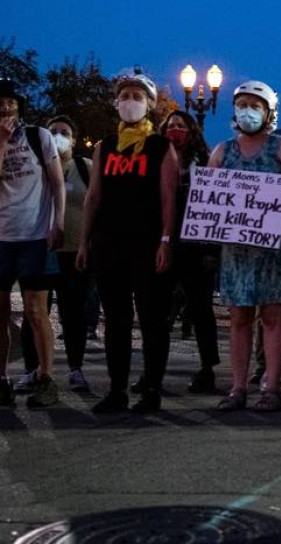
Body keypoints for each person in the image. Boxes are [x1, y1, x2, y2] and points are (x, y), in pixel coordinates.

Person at [76, 69, 178, 413]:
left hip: (147, 242)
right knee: (115, 319)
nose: (129, 102)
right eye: (124, 96)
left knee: (151, 318)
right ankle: (117, 389)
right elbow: (93, 197)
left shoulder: (161, 146)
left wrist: (166, 240)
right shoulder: (106, 145)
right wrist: (83, 241)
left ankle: (151, 388)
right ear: (116, 103)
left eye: (137, 97)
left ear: (149, 105)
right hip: (109, 241)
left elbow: (168, 198)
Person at [210, 80, 281, 412]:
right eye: (242, 104)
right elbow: (209, 195)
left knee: (272, 316)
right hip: (237, 249)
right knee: (239, 317)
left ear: (268, 112)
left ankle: (271, 386)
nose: (247, 111)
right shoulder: (223, 151)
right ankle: (238, 387)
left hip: (273, 247)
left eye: (255, 105)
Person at [0, 79, 66, 409]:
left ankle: (44, 377)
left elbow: (57, 183)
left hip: (35, 236)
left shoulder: (38, 137)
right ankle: (2, 379)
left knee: (35, 310)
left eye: (11, 102)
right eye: (1, 103)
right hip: (2, 238)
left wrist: (59, 222)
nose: (6, 108)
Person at [158, 110, 221, 394]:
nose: (175, 130)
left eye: (181, 126)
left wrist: (211, 249)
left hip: (196, 248)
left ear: (191, 131)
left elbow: (215, 209)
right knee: (159, 311)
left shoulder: (206, 164)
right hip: (165, 245)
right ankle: (154, 371)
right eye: (170, 126)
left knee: (201, 310)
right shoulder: (156, 161)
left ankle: (207, 369)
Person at [46, 116, 93, 393]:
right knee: (36, 312)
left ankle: (76, 368)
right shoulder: (39, 168)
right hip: (43, 249)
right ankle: (35, 369)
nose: (58, 136)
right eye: (53, 132)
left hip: (75, 250)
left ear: (74, 140)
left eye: (64, 132)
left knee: (73, 313)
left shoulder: (84, 168)